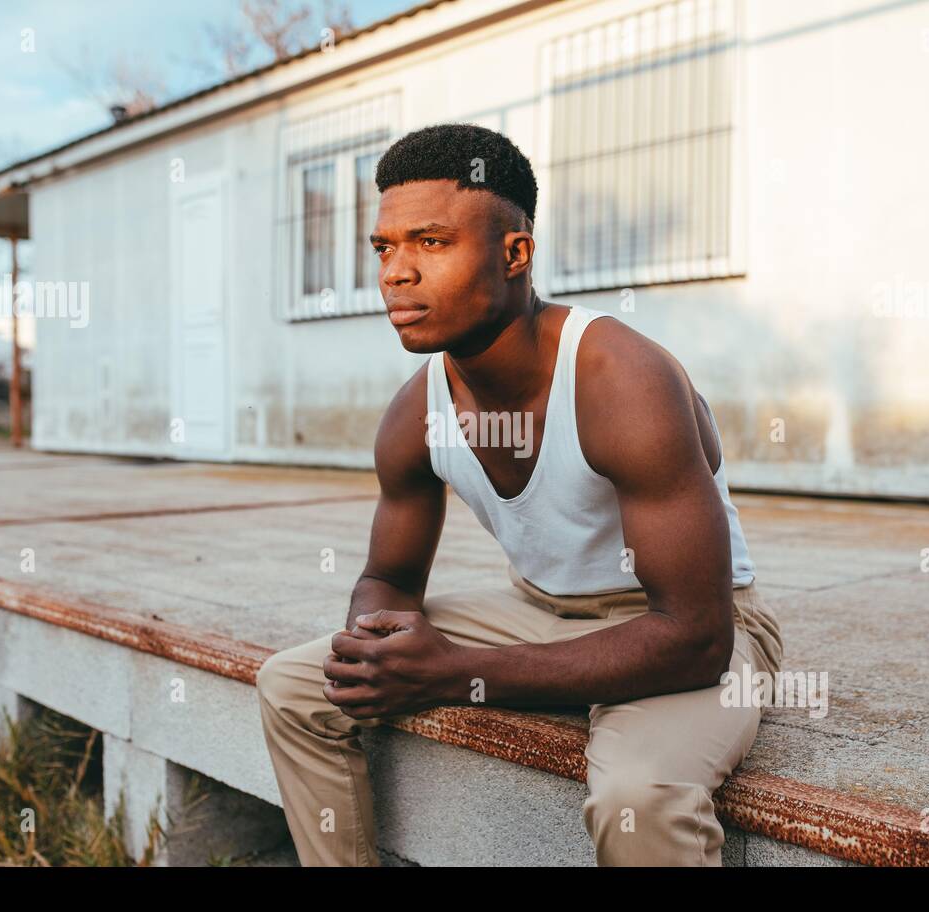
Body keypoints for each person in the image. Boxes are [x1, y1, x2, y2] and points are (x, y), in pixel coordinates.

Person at [255, 122, 783, 866]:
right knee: (294, 683)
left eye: (431, 243)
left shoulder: (619, 379)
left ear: (515, 254)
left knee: (638, 795)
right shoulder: (416, 414)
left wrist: (453, 672)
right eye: (385, 247)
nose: (396, 273)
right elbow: (389, 578)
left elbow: (696, 638)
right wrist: (381, 643)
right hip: (542, 611)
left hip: (691, 627)